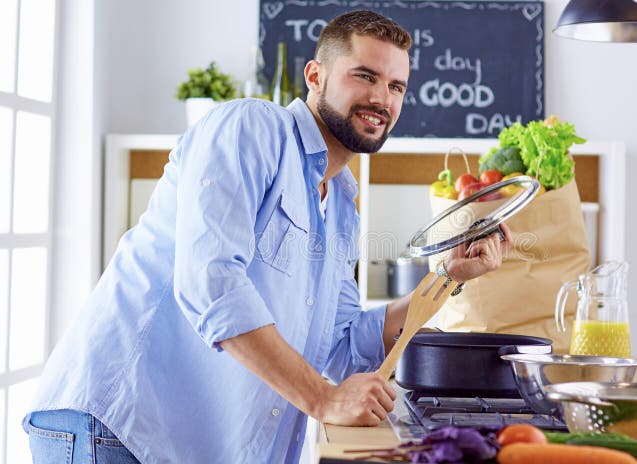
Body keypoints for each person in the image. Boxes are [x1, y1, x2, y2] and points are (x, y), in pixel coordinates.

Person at [24, 10, 511, 463]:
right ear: (315, 76)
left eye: (397, 86)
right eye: (364, 76)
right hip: (118, 427)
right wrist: (323, 398)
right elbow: (210, 281)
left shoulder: (342, 204)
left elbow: (344, 344)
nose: (382, 99)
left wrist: (449, 276)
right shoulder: (252, 129)